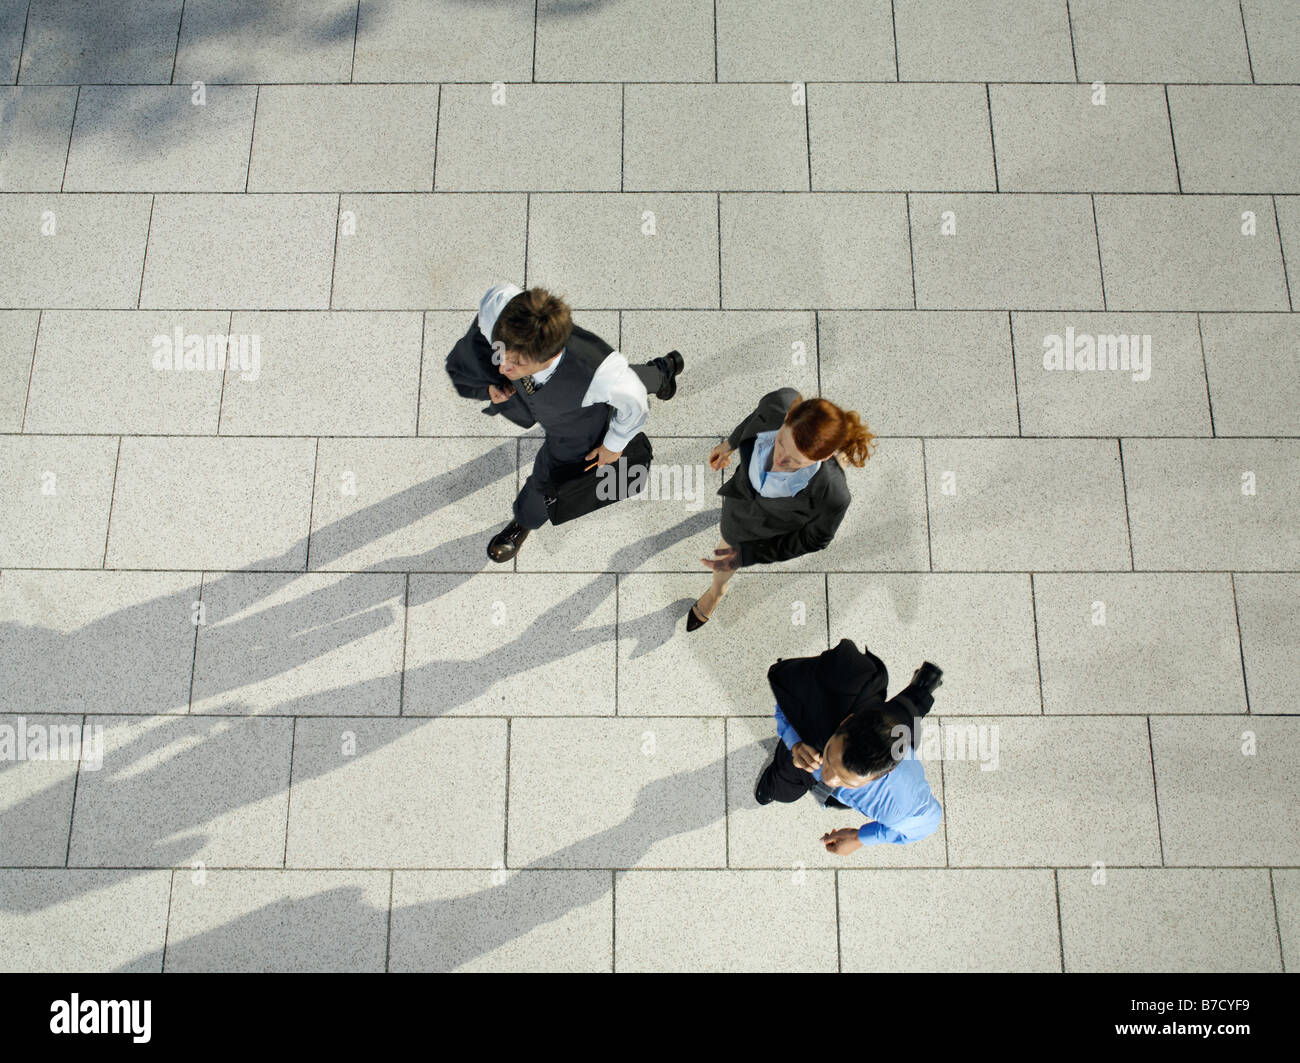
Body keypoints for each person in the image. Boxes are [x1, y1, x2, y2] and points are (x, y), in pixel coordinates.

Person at [445, 283, 684, 561]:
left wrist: (614, 446)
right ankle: (662, 372)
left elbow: (635, 405)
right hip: (555, 398)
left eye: (517, 364)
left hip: (576, 425)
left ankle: (526, 519)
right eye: (503, 354)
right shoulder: (499, 310)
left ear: (551, 355)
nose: (503, 369)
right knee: (617, 385)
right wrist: (491, 388)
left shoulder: (598, 373)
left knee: (551, 474)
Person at [688, 387, 875, 630]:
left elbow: (813, 540)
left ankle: (715, 593)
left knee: (725, 557)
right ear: (787, 418)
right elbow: (755, 417)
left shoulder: (833, 497)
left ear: (825, 455)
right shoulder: (779, 404)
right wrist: (730, 444)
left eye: (794, 461)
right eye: (781, 443)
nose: (779, 460)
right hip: (740, 495)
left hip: (756, 529)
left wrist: (748, 554)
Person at [755, 638, 944, 854]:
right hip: (843, 726)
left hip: (893, 728)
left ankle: (921, 690)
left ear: (879, 776)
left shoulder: (898, 809)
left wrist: (860, 837)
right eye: (830, 760)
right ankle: (921, 689)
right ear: (846, 722)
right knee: (782, 789)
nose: (828, 778)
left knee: (905, 715)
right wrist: (795, 744)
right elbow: (786, 704)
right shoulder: (826, 714)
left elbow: (929, 822)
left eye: (845, 780)